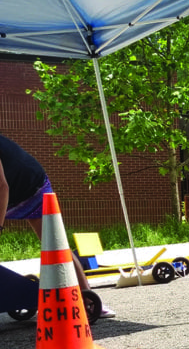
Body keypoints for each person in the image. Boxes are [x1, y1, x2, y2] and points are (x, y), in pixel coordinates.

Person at [0, 133, 115, 317]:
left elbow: (1, 186)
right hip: (13, 189)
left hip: (32, 188)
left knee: (55, 244)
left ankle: (87, 297)